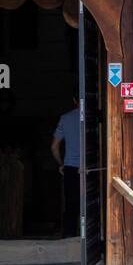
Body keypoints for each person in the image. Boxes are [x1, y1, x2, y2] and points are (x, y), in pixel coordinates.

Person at [51, 97, 81, 236]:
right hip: (92, 168)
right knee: (90, 204)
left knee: (71, 205)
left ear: (74, 100)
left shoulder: (65, 118)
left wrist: (61, 164)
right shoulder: (93, 117)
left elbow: (54, 147)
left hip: (71, 167)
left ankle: (70, 237)